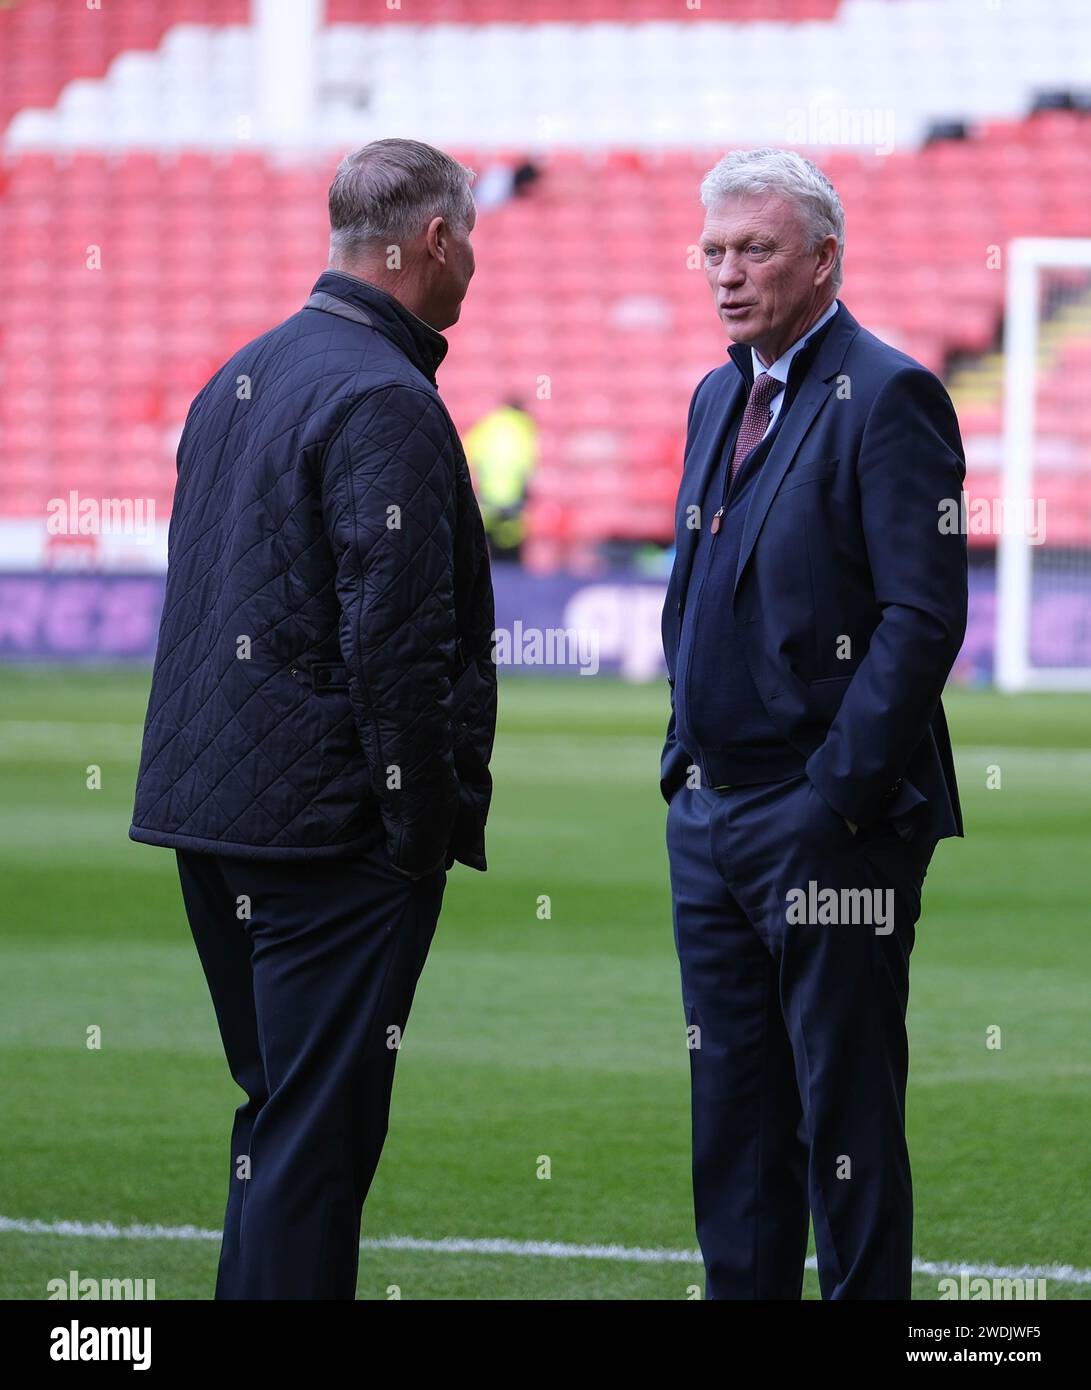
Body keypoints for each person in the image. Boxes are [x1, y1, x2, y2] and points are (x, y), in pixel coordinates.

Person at [128, 138, 496, 1299]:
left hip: (212, 809)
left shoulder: (239, 373)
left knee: (280, 1118)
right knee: (316, 1141)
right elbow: (395, 644)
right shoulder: (384, 395)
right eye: (469, 239)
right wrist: (419, 826)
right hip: (324, 831)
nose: (473, 264)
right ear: (433, 238)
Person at [660, 147, 967, 1300]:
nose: (726, 275)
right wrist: (682, 759)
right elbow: (695, 587)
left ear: (823, 258)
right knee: (731, 1113)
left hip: (826, 820)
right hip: (710, 812)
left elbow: (923, 613)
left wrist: (832, 795)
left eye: (755, 250)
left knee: (839, 1105)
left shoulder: (887, 394)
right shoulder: (714, 391)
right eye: (713, 252)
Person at [463, 397, 538, 560]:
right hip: (513, 496)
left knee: (488, 549)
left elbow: (466, 452)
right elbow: (528, 463)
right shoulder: (523, 426)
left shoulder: (487, 424)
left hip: (488, 494)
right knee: (511, 545)